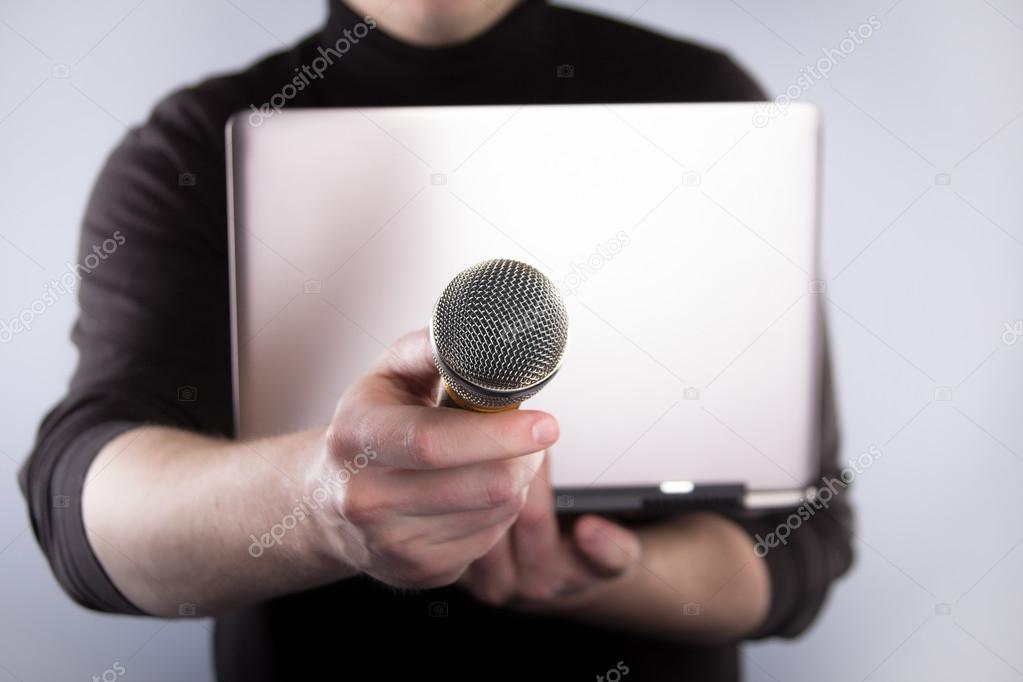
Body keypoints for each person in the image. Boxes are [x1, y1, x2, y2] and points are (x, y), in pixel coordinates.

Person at [19, 1, 853, 680]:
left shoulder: (706, 103)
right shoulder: (194, 147)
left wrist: (616, 574)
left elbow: (803, 541)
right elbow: (81, 514)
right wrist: (320, 505)